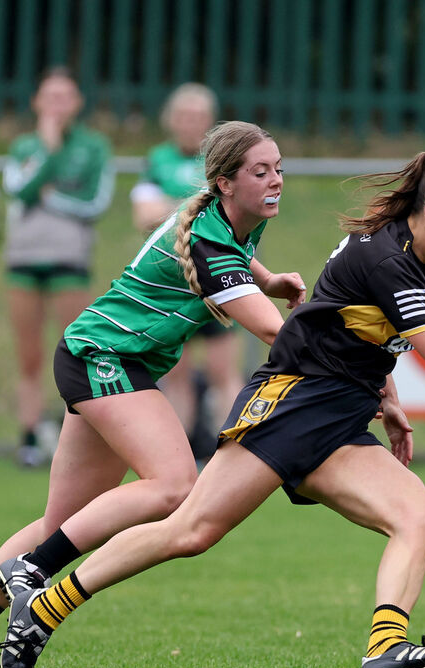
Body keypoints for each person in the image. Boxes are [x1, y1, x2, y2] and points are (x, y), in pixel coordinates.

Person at [0, 152, 425, 668]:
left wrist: (384, 394)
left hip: (340, 414)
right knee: (191, 531)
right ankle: (45, 608)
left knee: (420, 518)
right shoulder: (388, 258)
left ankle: (384, 651)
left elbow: (365, 330)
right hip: (294, 404)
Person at [0, 121, 305, 668]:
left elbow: (232, 257)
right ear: (225, 183)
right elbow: (279, 335)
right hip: (105, 360)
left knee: (64, 519)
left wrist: (268, 280)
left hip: (103, 356)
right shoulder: (208, 239)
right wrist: (357, 354)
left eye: (279, 170)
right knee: (174, 485)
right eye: (260, 172)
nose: (275, 181)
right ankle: (32, 571)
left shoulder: (230, 224)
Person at [3, 67, 114, 467]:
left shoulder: (95, 147)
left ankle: (77, 438)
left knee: (74, 351)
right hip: (24, 258)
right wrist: (48, 152)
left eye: (65, 97)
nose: (57, 105)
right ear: (36, 102)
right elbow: (19, 188)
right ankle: (29, 438)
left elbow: (94, 203)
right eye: (50, 97)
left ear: (78, 102)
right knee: (29, 356)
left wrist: (51, 199)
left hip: (70, 258)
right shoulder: (24, 146)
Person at [131, 83, 243, 458]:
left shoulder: (223, 160)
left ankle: (232, 458)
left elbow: (230, 215)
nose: (189, 123)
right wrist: (197, 210)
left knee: (223, 373)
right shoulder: (158, 159)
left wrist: (174, 208)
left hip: (218, 275)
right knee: (174, 376)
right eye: (183, 116)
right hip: (172, 285)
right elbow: (144, 216)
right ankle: (177, 461)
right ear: (170, 120)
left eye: (197, 117)